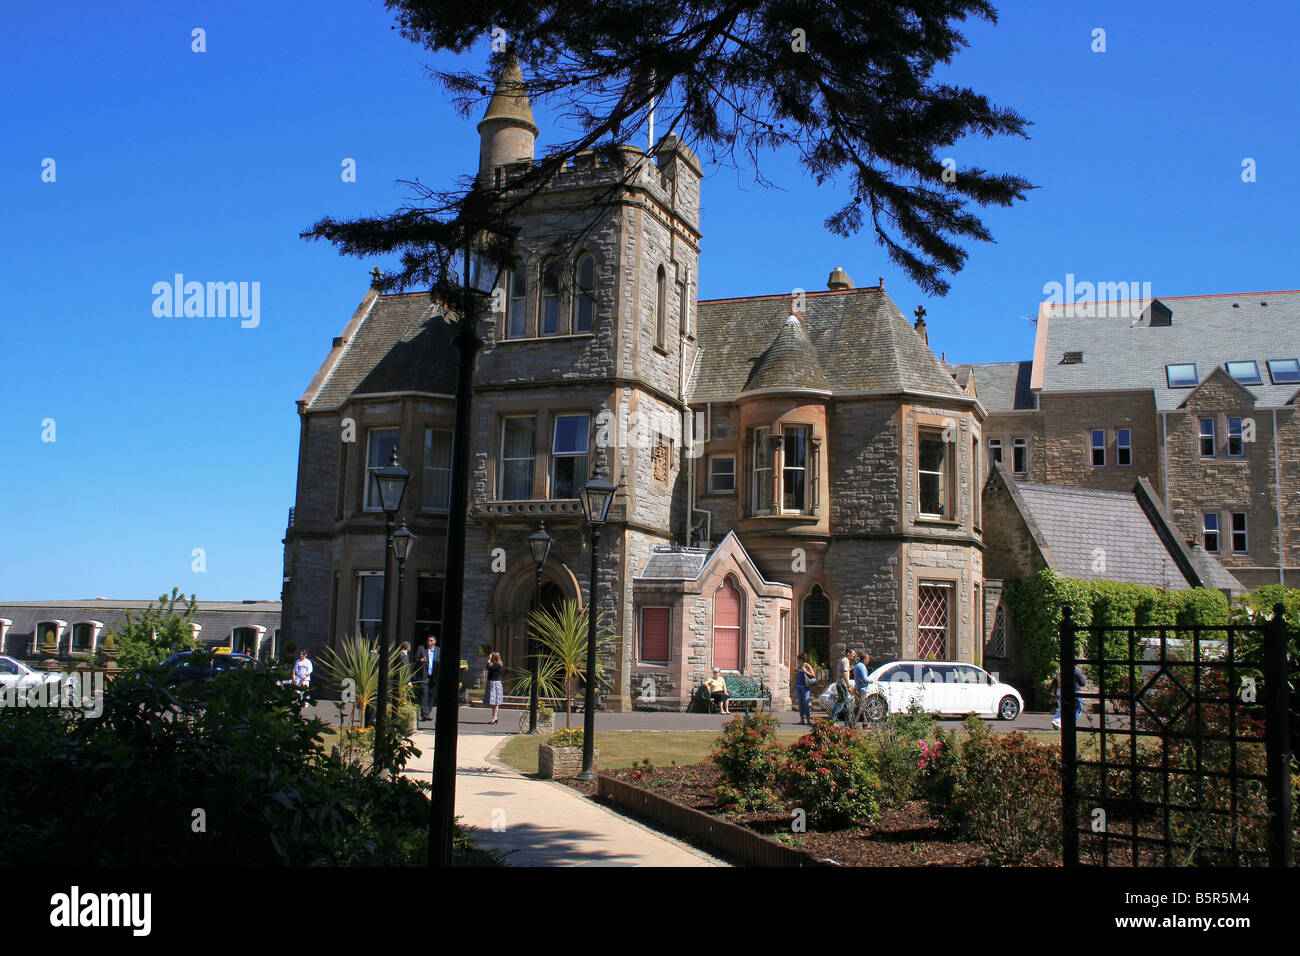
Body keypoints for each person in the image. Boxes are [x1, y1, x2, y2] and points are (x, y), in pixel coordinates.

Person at [1051, 664, 1088, 730]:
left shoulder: (1059, 670)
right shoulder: (1075, 670)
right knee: (1077, 709)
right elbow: (1083, 682)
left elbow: (1054, 682)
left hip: (1059, 691)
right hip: (1073, 691)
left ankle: (1056, 721)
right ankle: (1068, 722)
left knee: (1062, 708)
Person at [414, 635, 440, 721]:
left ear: (434, 642)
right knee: (424, 695)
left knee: (432, 695)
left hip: (434, 677)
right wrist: (420, 660)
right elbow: (415, 660)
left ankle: (427, 712)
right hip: (424, 676)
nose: (429, 642)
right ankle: (424, 713)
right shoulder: (421, 649)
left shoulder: (438, 651)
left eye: (431, 640)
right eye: (428, 640)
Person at [850, 651, 872, 727]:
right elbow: (864, 678)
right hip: (862, 688)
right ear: (864, 659)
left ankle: (865, 723)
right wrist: (871, 680)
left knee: (862, 706)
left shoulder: (856, 666)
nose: (868, 661)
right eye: (868, 659)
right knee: (860, 706)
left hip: (857, 688)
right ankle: (852, 723)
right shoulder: (862, 666)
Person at [794, 652, 816, 724]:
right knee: (800, 703)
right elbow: (797, 676)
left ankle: (808, 720)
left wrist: (805, 671)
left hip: (805, 686)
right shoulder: (799, 666)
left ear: (801, 659)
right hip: (799, 686)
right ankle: (802, 719)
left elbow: (813, 675)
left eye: (798, 659)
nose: (797, 660)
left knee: (805, 703)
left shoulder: (807, 665)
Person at [484, 652, 505, 724]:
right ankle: (494, 717)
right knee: (494, 702)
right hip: (494, 683)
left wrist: (488, 660)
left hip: (494, 683)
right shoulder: (498, 664)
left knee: (495, 702)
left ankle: (494, 717)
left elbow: (488, 667)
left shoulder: (497, 665)